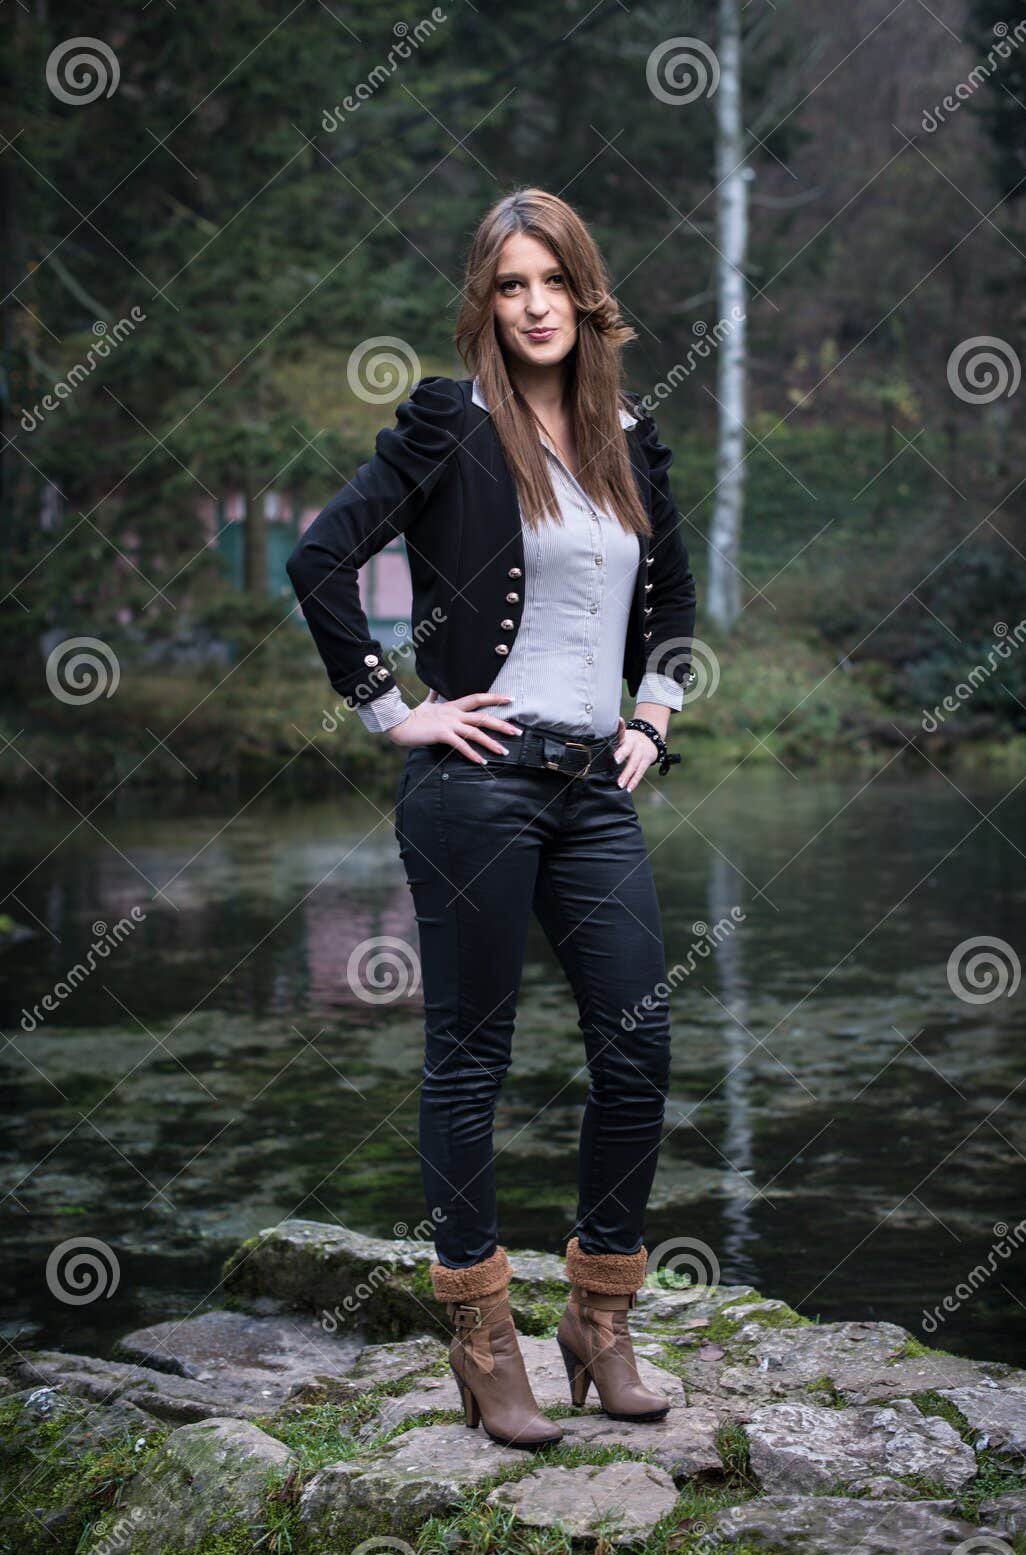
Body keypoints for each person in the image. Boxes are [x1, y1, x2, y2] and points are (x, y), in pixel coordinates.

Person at [286, 188, 696, 1451]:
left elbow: (670, 595)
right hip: (476, 781)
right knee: (471, 1060)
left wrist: (655, 715)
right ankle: (482, 1339)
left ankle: (599, 1318)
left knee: (640, 1046)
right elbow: (318, 559)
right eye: (509, 285)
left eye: (551, 283)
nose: (532, 306)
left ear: (586, 295)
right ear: (486, 299)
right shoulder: (448, 427)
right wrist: (391, 709)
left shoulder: (627, 434)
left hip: (594, 788)